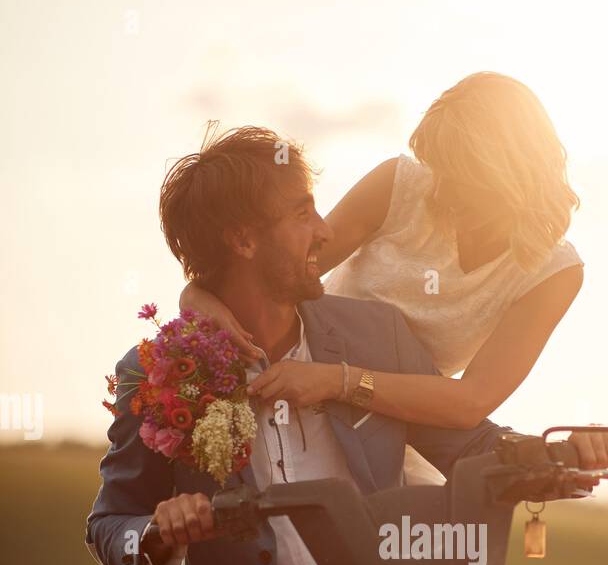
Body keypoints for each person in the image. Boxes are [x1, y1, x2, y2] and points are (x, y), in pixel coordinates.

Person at [87, 125, 608, 565]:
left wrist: (558, 452)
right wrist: (159, 531)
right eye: (302, 215)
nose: (325, 232)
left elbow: (467, 442)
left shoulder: (378, 335)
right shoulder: (154, 372)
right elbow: (111, 526)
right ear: (243, 240)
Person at [180, 74, 584, 481]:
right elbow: (290, 262)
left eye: (458, 176)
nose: (440, 189)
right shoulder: (399, 186)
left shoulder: (553, 274)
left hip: (410, 427)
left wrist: (338, 381)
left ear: (506, 177)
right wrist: (196, 295)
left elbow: (470, 402)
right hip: (299, 373)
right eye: (437, 167)